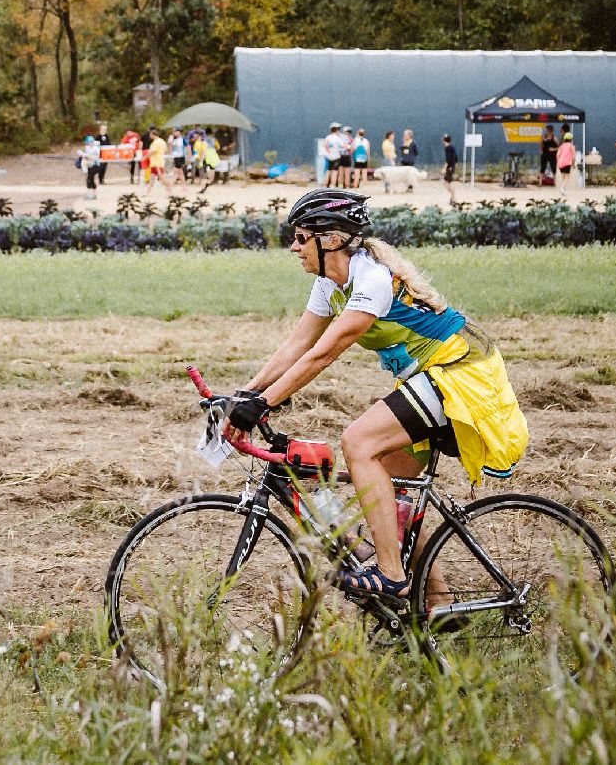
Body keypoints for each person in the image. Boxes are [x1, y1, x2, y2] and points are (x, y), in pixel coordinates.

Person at [226, 189, 529, 598]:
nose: (293, 247)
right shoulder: (330, 284)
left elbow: (324, 355)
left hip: (461, 372)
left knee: (359, 441)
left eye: (300, 237)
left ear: (330, 239)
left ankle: (392, 574)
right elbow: (295, 348)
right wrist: (245, 392)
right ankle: (436, 603)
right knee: (390, 493)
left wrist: (264, 403)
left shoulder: (372, 280)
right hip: (428, 379)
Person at [323, 122, 345, 187]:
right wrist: (350, 147)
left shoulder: (328, 137)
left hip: (329, 157)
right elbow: (343, 145)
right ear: (337, 129)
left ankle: (325, 184)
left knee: (328, 170)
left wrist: (328, 153)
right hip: (336, 157)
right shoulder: (337, 138)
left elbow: (325, 146)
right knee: (335, 171)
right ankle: (332, 184)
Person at [555, 131, 576, 196]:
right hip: (567, 163)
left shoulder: (561, 146)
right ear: (571, 139)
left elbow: (557, 155)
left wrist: (558, 161)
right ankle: (562, 188)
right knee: (567, 177)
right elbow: (573, 156)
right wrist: (573, 164)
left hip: (560, 163)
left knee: (563, 177)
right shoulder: (571, 146)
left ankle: (563, 190)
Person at [441, 133, 459, 206]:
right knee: (449, 182)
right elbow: (456, 157)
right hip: (452, 166)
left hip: (450, 167)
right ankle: (452, 197)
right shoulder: (452, 147)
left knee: (446, 182)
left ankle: (453, 197)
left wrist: (444, 168)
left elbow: (448, 159)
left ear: (443, 140)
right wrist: (455, 164)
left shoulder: (447, 148)